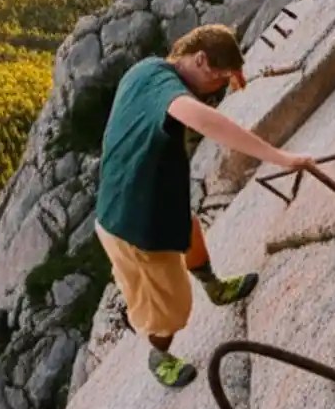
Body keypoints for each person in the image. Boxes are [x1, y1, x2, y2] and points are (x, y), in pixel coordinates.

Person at [93, 24, 314, 387]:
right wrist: (280, 157)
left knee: (189, 228)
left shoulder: (146, 69)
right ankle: (159, 354)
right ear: (200, 60)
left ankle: (214, 286)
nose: (219, 91)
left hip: (138, 196)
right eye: (220, 80)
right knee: (172, 309)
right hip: (133, 223)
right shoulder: (172, 94)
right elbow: (205, 120)